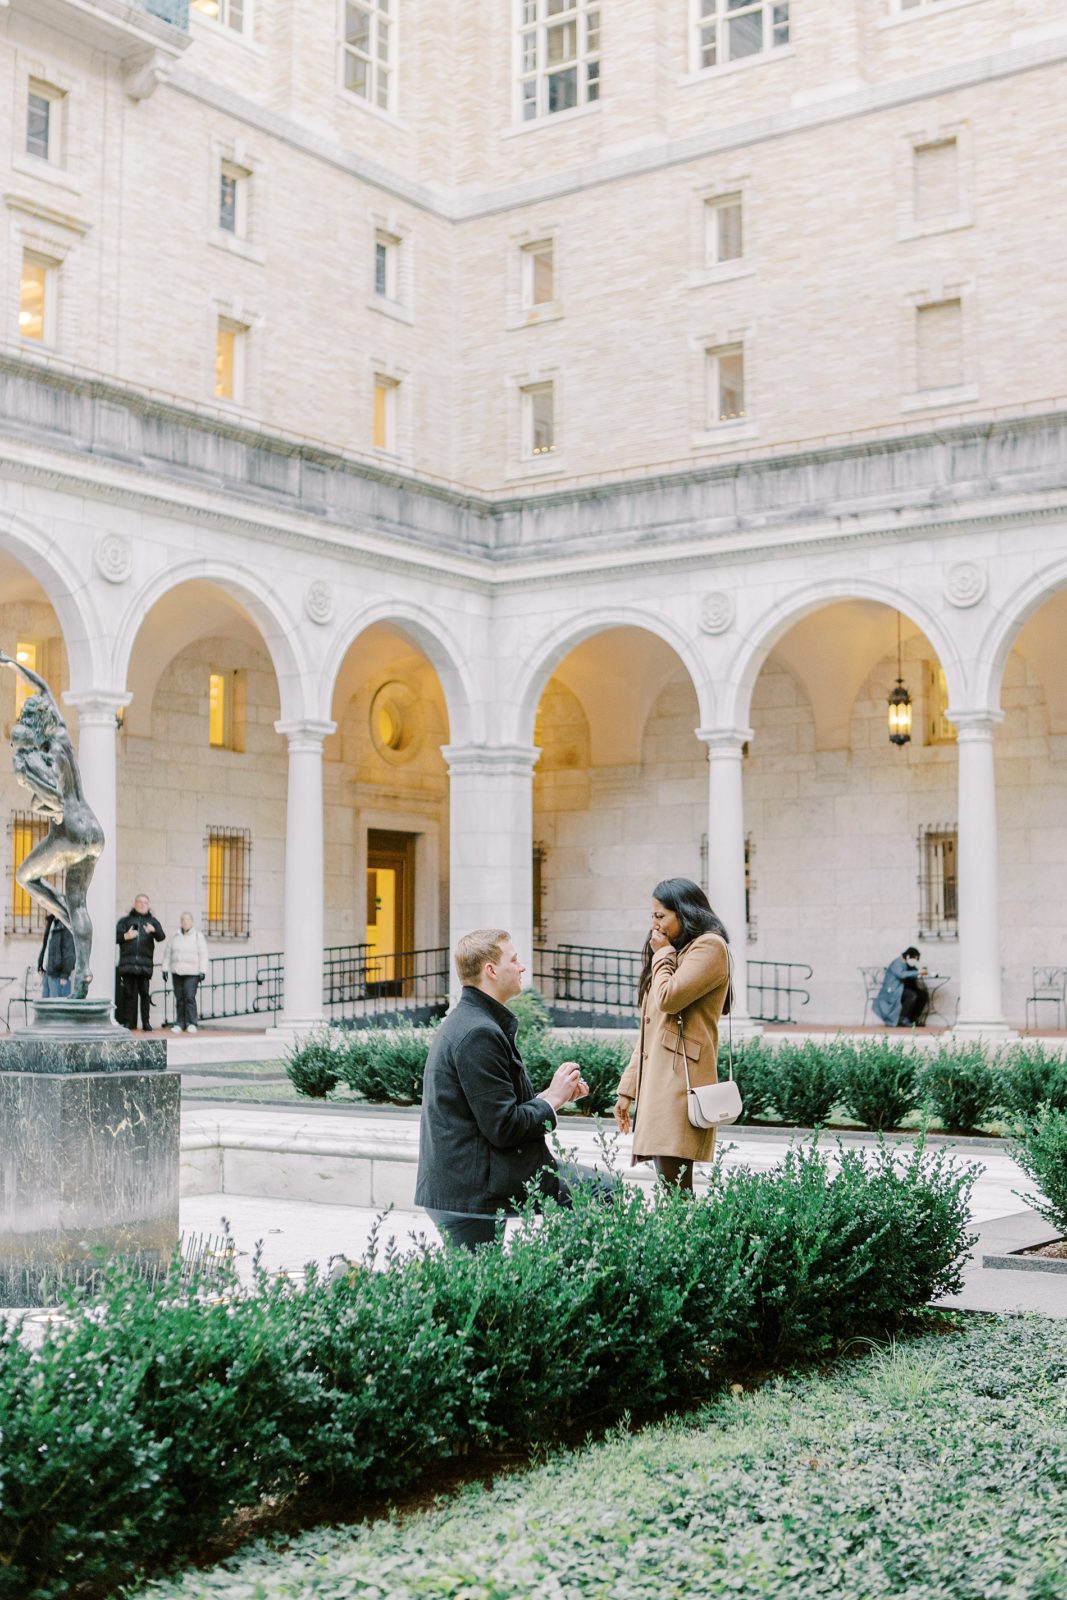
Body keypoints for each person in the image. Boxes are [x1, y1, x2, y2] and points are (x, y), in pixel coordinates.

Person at [414, 927, 602, 1251]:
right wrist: (552, 1099)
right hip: (471, 1193)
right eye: (513, 960)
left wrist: (553, 1096)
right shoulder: (478, 1033)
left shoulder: (474, 1022)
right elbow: (503, 1126)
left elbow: (495, 1111)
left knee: (599, 1191)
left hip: (465, 1187)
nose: (521, 966)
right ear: (490, 970)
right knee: (602, 1192)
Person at [614, 877, 731, 1193]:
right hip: (660, 1076)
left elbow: (669, 998)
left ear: (685, 912)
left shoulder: (710, 947)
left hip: (681, 1077)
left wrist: (663, 954)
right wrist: (627, 1090)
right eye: (652, 916)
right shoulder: (678, 952)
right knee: (670, 1182)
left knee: (675, 1185)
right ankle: (679, 1227)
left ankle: (683, 1228)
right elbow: (651, 1028)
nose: (654, 924)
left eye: (660, 915)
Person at [0, 651, 103, 999]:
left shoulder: (47, 757)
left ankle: (64, 916)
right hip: (94, 832)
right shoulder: (61, 732)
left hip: (70, 831)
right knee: (80, 903)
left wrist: (32, 792)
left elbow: (56, 802)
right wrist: (12, 664)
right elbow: (42, 685)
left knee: (25, 876)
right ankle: (84, 971)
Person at [115, 894, 165, 1031]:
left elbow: (161, 937)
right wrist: (126, 936)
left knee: (144, 994)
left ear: (148, 905)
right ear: (134, 904)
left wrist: (153, 931)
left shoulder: (152, 921)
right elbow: (114, 937)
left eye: (145, 902)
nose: (142, 905)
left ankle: (146, 1023)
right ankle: (129, 1022)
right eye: (140, 902)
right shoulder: (125, 921)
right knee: (129, 995)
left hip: (145, 965)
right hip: (128, 964)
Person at [162, 912, 209, 1034]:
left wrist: (203, 970)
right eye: (183, 920)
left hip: (192, 972)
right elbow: (168, 953)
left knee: (189, 997)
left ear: (192, 922)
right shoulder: (175, 935)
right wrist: (165, 968)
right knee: (179, 998)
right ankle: (180, 1023)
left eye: (187, 920)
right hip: (177, 971)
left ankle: (192, 1023)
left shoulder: (198, 936)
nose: (185, 922)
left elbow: (203, 954)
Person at [873, 946, 929, 1028]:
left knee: (922, 995)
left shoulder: (907, 964)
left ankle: (913, 1018)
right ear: (908, 956)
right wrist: (918, 972)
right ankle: (902, 1019)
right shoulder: (897, 963)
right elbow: (901, 974)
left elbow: (912, 972)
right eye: (914, 959)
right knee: (912, 995)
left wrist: (920, 971)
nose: (914, 961)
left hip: (901, 988)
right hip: (893, 990)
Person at [37, 912, 75, 998]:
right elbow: (46, 946)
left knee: (57, 1004)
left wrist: (65, 975)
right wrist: (40, 964)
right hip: (47, 972)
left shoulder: (66, 924)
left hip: (58, 976)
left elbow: (69, 952)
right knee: (46, 1004)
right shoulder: (51, 922)